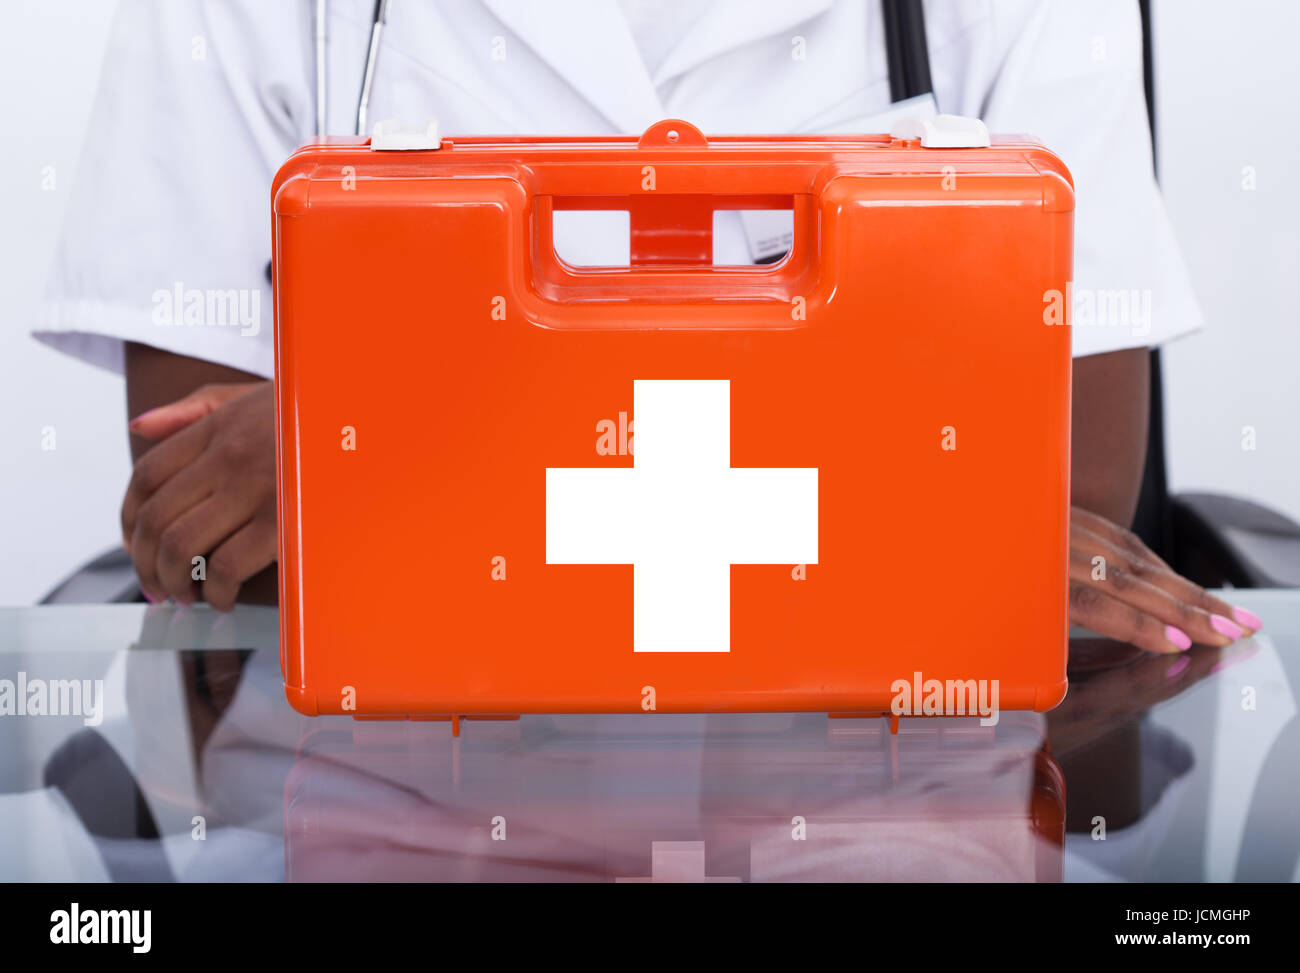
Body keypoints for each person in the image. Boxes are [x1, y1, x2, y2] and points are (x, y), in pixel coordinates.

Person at [35, 0, 1262, 652]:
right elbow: (215, 538)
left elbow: (1063, 512)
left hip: (906, 796)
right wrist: (895, 514)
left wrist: (381, 453)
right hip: (384, 798)